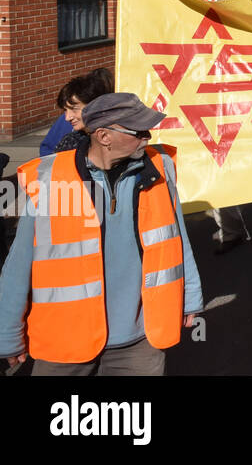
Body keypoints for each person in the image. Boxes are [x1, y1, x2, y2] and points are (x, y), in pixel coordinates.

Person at [1, 93, 203, 375]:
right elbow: (18, 265)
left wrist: (190, 297)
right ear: (104, 136)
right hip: (65, 343)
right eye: (138, 131)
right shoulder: (50, 181)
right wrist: (8, 335)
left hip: (138, 342)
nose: (147, 137)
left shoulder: (159, 168)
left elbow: (177, 238)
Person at [46, 67, 114, 156]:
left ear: (94, 105)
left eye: (74, 109)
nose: (67, 118)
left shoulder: (121, 138)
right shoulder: (70, 143)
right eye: (65, 110)